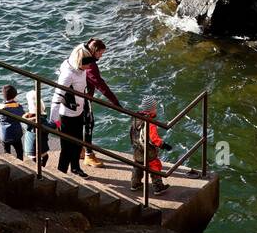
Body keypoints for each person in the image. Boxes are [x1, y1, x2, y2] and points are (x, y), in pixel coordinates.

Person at [50, 45, 96, 177]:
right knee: (66, 147)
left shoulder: (82, 70)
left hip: (79, 112)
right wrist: (54, 121)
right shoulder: (67, 75)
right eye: (87, 65)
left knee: (78, 143)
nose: (89, 68)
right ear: (79, 62)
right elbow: (57, 97)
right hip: (66, 116)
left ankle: (75, 168)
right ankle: (61, 172)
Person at [81, 37, 121, 169]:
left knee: (78, 124)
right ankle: (88, 155)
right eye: (100, 53)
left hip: (73, 97)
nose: (101, 56)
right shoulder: (90, 65)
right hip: (82, 98)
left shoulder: (81, 54)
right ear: (95, 50)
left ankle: (79, 149)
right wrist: (115, 102)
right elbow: (100, 84)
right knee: (89, 124)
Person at [129, 102, 172, 195]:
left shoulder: (135, 118)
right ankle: (158, 187)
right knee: (155, 167)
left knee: (138, 167)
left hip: (137, 149)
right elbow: (154, 139)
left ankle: (135, 184)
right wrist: (164, 145)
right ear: (150, 110)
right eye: (155, 108)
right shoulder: (150, 123)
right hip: (148, 151)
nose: (156, 110)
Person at [23, 84, 50, 166]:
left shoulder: (25, 120)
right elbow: (50, 127)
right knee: (45, 157)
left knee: (35, 160)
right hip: (40, 148)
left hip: (29, 149)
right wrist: (58, 122)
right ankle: (41, 168)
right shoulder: (41, 120)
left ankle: (37, 166)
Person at [0, 85, 25, 160]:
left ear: (3, 96)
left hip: (4, 135)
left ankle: (9, 164)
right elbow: (22, 115)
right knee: (19, 152)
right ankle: (20, 162)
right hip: (16, 135)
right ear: (15, 95)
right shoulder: (18, 107)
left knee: (7, 152)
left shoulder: (0, 108)